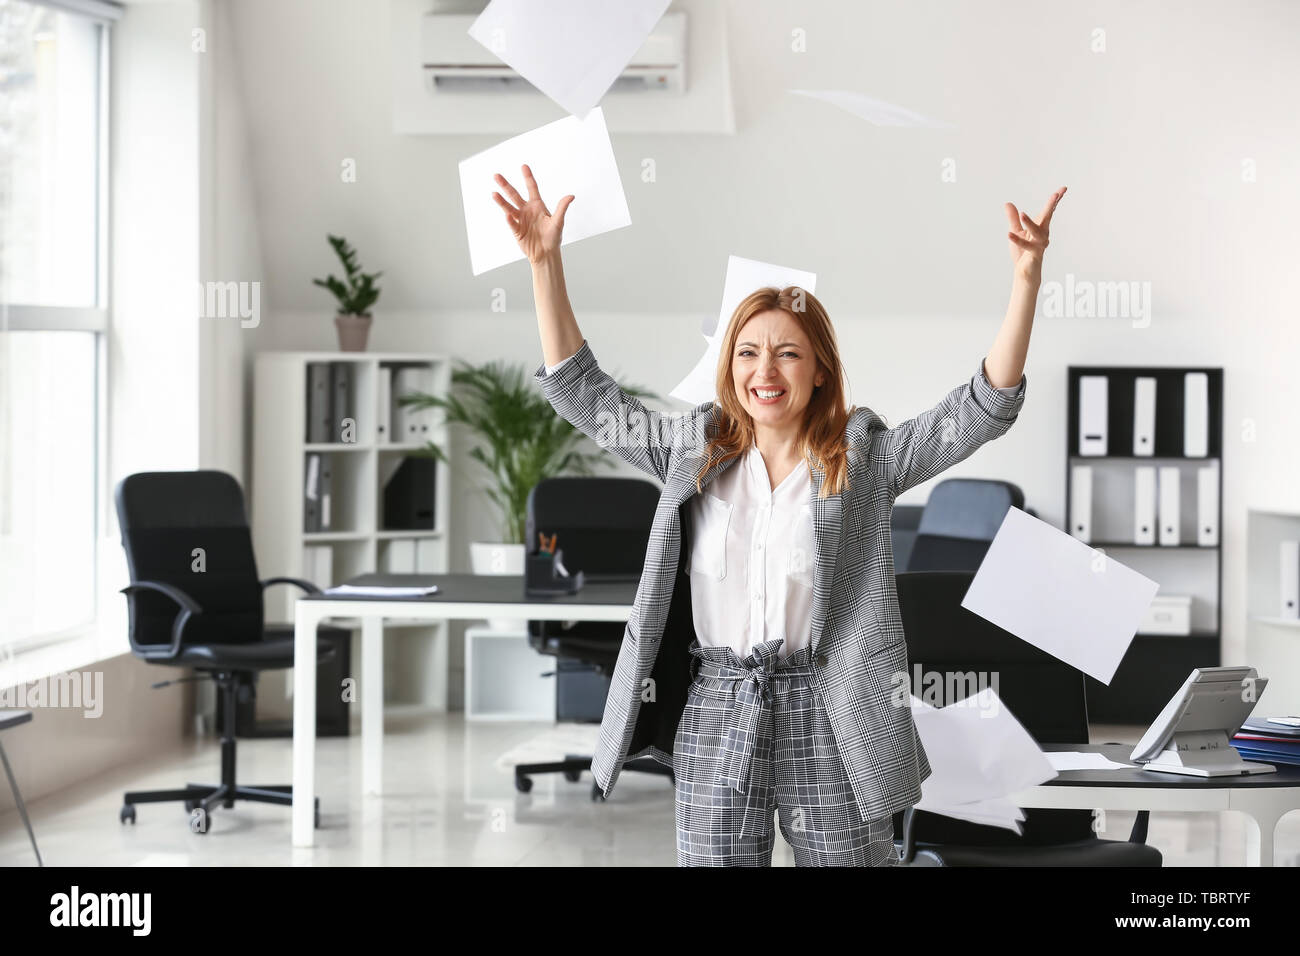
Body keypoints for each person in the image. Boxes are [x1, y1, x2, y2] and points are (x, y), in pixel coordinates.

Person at [493, 163, 1065, 866]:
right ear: (730, 367)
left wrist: (1026, 280)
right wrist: (545, 264)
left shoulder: (864, 461)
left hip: (829, 708)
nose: (766, 370)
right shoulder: (690, 451)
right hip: (718, 701)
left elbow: (980, 410)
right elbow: (583, 393)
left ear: (819, 368)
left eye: (788, 353)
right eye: (748, 352)